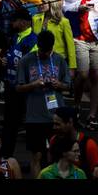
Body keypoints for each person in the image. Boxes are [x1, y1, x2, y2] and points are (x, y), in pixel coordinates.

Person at [17, 28, 70, 178]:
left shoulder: (59, 60)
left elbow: (68, 85)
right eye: (42, 50)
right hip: (34, 117)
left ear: (52, 47)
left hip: (56, 118)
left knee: (57, 156)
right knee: (37, 156)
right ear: (38, 45)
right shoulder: (26, 60)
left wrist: (58, 84)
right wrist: (33, 85)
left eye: (47, 51)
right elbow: (18, 88)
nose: (44, 53)